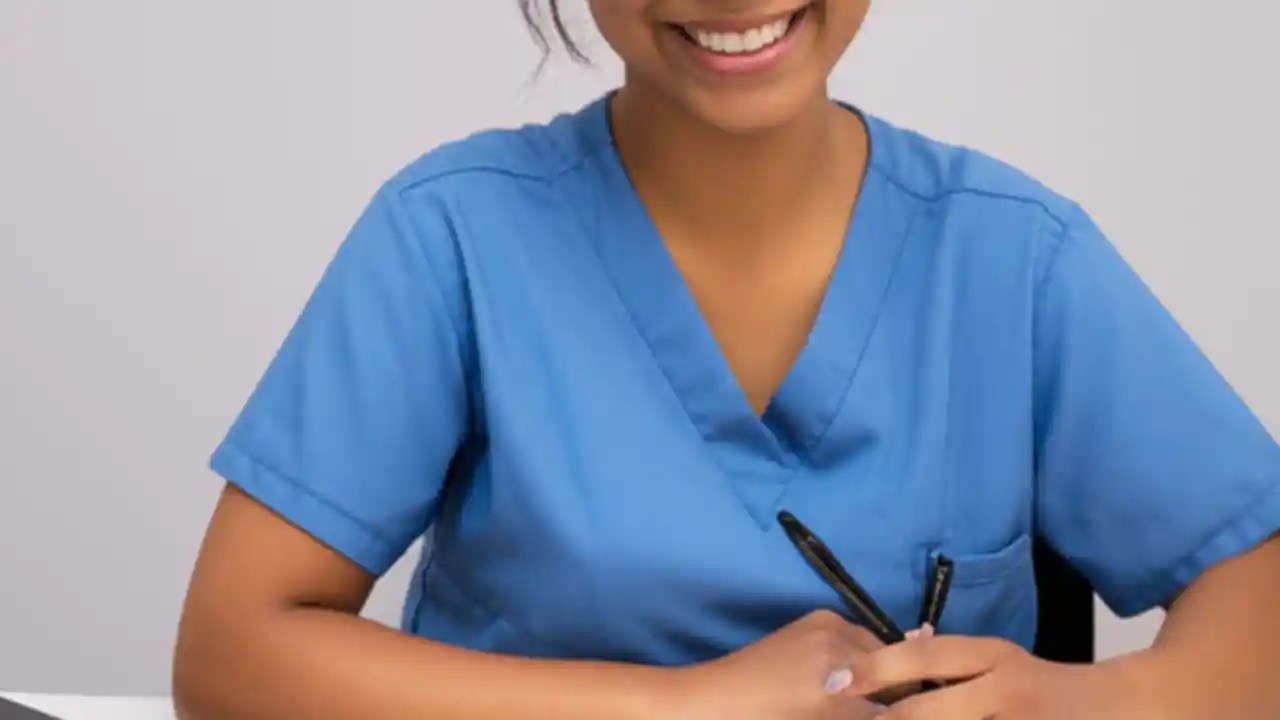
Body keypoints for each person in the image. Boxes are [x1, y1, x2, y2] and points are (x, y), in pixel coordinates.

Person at [172, 1, 1280, 718]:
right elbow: (230, 659)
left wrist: (1077, 707)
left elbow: (1254, 580)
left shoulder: (1012, 257)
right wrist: (687, 710)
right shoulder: (451, 237)